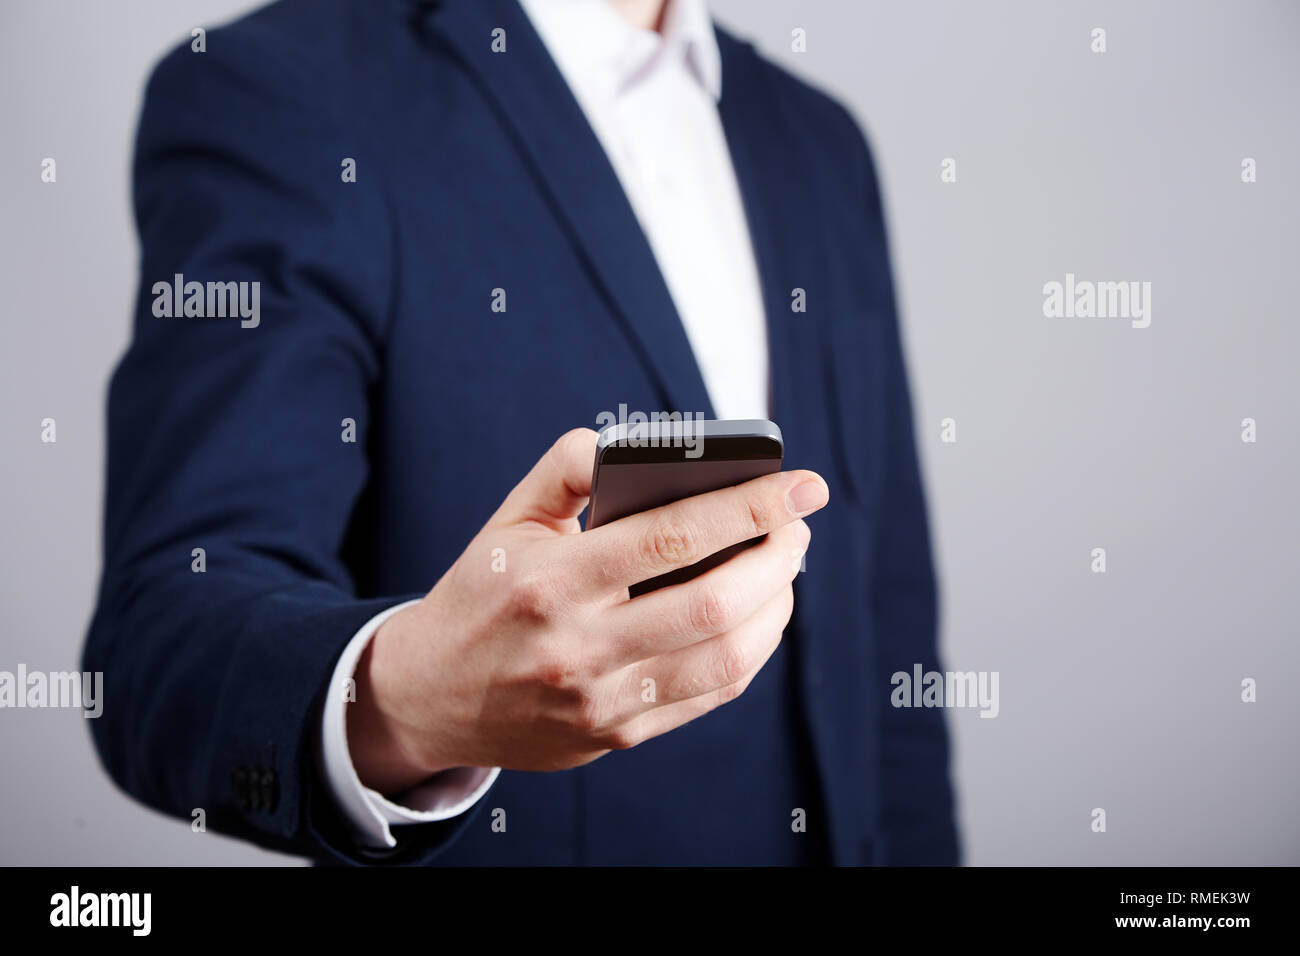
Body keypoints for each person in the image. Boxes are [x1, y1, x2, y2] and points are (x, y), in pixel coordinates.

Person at [85, 0, 959, 865]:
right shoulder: (287, 90)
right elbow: (162, 635)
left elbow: (891, 629)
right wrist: (411, 700)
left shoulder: (822, 144)